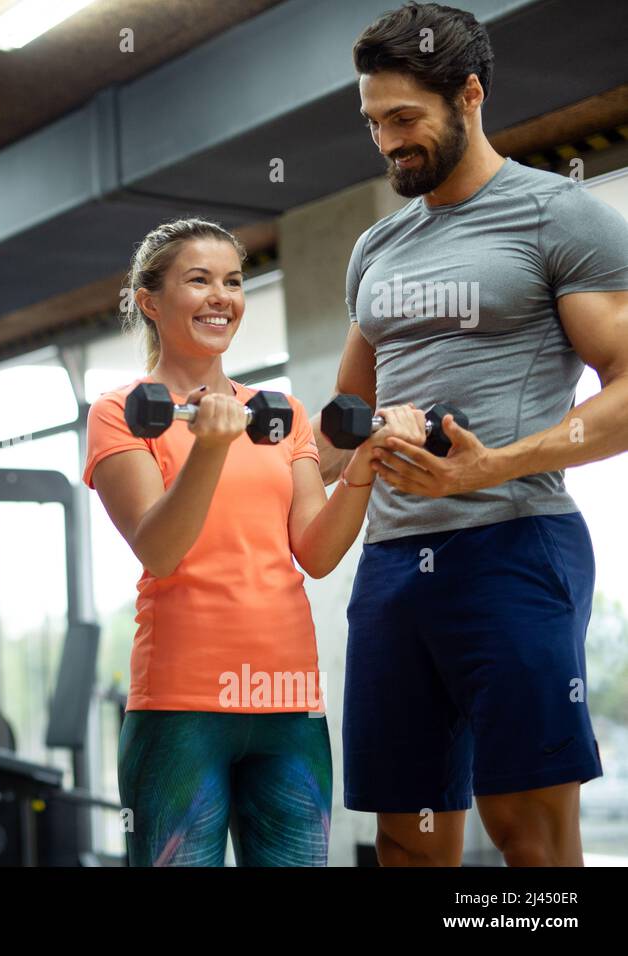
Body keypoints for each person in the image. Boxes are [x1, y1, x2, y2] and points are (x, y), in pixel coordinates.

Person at [323, 2, 628, 866]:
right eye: (373, 122)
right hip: (392, 565)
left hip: (515, 547)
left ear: (470, 95)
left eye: (405, 119)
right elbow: (343, 419)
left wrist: (491, 467)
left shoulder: (559, 215)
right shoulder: (376, 247)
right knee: (408, 840)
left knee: (528, 833)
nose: (387, 143)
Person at [84, 217, 424, 866]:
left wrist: (364, 465)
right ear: (150, 301)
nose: (223, 296)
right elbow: (160, 550)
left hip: (287, 702)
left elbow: (317, 553)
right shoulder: (122, 411)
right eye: (199, 280)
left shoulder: (282, 413)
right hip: (182, 705)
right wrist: (209, 447)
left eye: (234, 281)